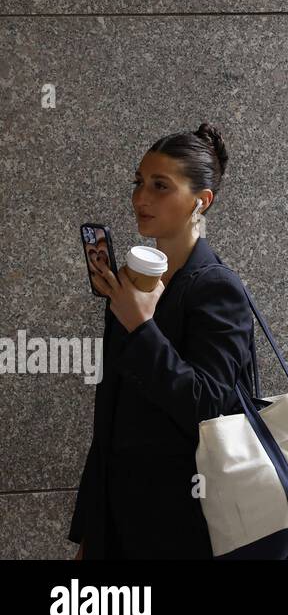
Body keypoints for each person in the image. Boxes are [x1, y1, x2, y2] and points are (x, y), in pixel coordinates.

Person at [69, 123, 257, 559]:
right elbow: (109, 417)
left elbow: (207, 405)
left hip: (190, 522)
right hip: (120, 521)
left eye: (159, 186)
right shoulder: (129, 285)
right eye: (138, 183)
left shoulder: (217, 288)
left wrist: (141, 327)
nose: (140, 198)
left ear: (201, 201)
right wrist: (91, 532)